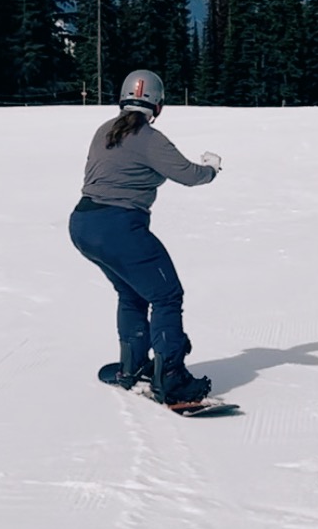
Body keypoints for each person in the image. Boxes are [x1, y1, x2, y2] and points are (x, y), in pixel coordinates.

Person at [69, 69, 222, 406]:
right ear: (159, 105)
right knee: (167, 295)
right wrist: (211, 168)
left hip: (83, 223)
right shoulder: (150, 138)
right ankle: (172, 379)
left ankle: (132, 366)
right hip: (119, 226)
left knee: (132, 292)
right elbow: (188, 175)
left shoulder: (103, 130)